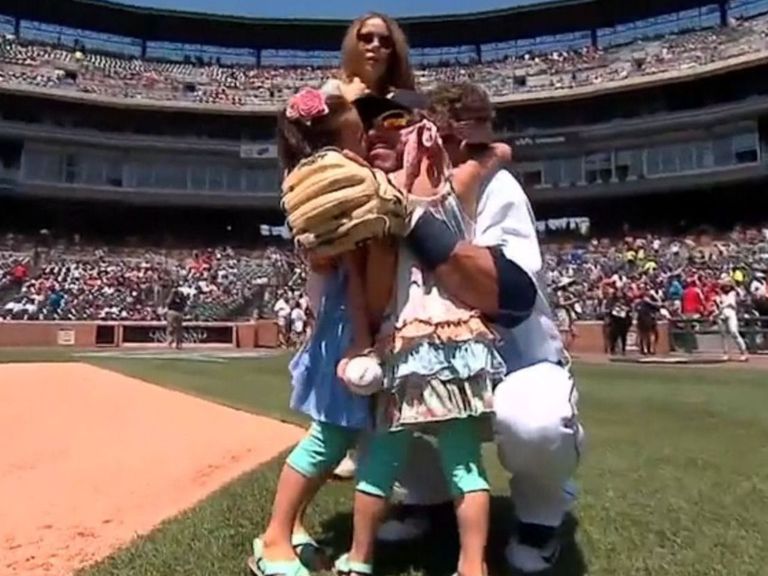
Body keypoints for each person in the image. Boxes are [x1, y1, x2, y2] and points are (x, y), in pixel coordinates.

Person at [368, 83, 585, 574]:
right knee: (352, 390)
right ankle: (427, 495)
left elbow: (510, 295)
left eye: (466, 141)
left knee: (536, 423)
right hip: (432, 363)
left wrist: (414, 218)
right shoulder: (389, 189)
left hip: (514, 362)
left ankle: (541, 515)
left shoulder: (496, 187)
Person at [334, 92, 511, 576]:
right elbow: (500, 151)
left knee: (381, 458)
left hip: (407, 337)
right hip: (459, 338)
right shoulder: (460, 180)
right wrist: (469, 139)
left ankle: (359, 559)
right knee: (464, 463)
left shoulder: (380, 191)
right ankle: (472, 566)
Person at [716, 277, 749, 361]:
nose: (726, 286)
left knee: (734, 332)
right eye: (725, 285)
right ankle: (726, 353)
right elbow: (717, 303)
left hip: (731, 313)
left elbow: (742, 295)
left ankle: (743, 352)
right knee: (723, 335)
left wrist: (734, 286)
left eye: (728, 285)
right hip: (721, 314)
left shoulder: (734, 293)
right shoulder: (720, 293)